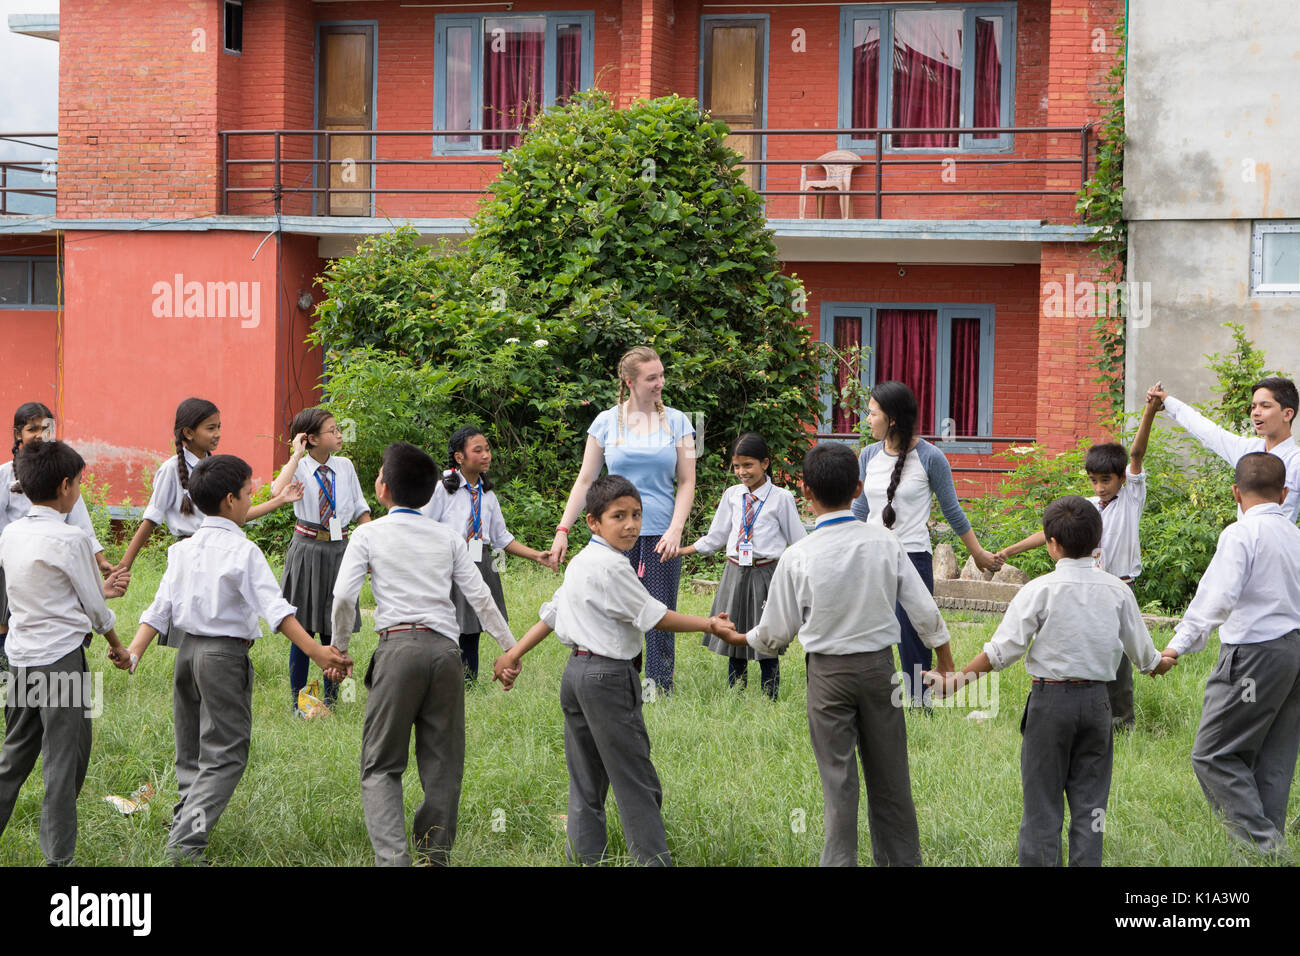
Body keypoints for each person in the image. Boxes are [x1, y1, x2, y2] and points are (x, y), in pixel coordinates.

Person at [714, 442, 956, 867]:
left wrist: (740, 639)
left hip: (826, 677)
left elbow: (774, 633)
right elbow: (923, 607)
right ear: (859, 488)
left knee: (839, 782)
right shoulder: (884, 542)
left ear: (805, 492)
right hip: (882, 671)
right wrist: (946, 661)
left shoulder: (798, 555)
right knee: (891, 779)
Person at [125, 454, 351, 864]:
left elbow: (159, 609)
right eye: (249, 493)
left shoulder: (183, 550)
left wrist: (134, 651)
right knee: (227, 752)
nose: (252, 501)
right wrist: (318, 651)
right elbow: (277, 611)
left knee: (190, 748)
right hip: (222, 657)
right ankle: (185, 847)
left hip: (187, 654)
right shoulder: (243, 551)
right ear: (230, 500)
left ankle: (184, 823)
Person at [494, 475, 730, 866]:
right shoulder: (612, 567)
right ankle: (654, 860)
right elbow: (654, 616)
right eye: (618, 516)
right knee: (636, 778)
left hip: (575, 677)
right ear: (593, 522)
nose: (631, 525)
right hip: (607, 679)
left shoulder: (583, 561)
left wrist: (513, 653)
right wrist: (709, 624)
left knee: (586, 779)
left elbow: (553, 615)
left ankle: (585, 857)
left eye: (636, 515)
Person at [929, 496, 1170, 866]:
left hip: (1050, 705)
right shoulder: (1119, 591)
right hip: (1097, 706)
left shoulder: (1038, 590)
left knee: (1042, 805)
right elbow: (1146, 659)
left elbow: (1000, 653)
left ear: (1052, 544)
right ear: (1097, 540)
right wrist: (1166, 658)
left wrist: (954, 683)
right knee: (1091, 807)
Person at [332, 442, 518, 866]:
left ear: (382, 489)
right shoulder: (448, 537)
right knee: (443, 766)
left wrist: (339, 650)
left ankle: (393, 859)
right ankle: (435, 857)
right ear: (432, 493)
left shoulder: (367, 534)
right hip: (446, 655)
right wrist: (510, 649)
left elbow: (344, 597)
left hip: (397, 651)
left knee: (381, 766)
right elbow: (480, 598)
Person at [1160, 452, 1300, 853]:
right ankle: (1270, 849)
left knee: (1213, 754)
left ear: (1235, 492)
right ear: (1285, 492)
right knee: (1275, 754)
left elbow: (1217, 600)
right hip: (1293, 653)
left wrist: (1177, 645)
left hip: (1253, 656)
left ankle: (1266, 849)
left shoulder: (1240, 534)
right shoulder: (1294, 535)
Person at [996, 394, 1162, 730]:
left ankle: (1121, 720)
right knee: (1086, 645)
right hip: (1083, 582)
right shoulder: (1086, 507)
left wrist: (1150, 410)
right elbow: (1049, 533)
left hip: (1117, 587)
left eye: (1107, 481)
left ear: (1121, 479)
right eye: (1094, 481)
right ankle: (1090, 710)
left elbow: (1137, 453)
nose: (1100, 488)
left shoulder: (1131, 498)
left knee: (1118, 655)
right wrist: (1009, 552)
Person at [0, 440, 130, 865]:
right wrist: (118, 647)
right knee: (63, 763)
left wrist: (96, 594)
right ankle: (59, 860)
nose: (79, 490)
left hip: (19, 659)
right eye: (78, 483)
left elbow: (48, 594)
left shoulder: (11, 533)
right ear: (64, 486)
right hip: (62, 663)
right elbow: (95, 608)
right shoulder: (71, 538)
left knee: (14, 755)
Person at [550, 346, 696, 695]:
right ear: (629, 382)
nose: (660, 383)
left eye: (661, 375)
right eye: (652, 378)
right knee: (609, 610)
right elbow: (586, 480)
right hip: (611, 537)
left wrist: (676, 529)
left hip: (660, 533)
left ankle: (658, 689)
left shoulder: (683, 421)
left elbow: (688, 480)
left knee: (659, 615)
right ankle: (617, 682)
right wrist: (562, 529)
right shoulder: (603, 421)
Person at [851, 381, 1000, 704]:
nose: (867, 420)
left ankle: (920, 704)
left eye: (872, 413)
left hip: (913, 559)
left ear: (891, 419)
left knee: (914, 638)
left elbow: (953, 511)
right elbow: (859, 510)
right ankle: (876, 703)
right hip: (873, 559)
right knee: (869, 634)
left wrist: (978, 554)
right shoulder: (868, 456)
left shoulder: (931, 457)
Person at [118, 397, 302, 649]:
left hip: (221, 550)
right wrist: (124, 565)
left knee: (221, 618)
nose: (217, 434)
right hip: (192, 553)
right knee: (193, 626)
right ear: (189, 433)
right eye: (211, 428)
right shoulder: (171, 469)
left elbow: (237, 515)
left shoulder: (216, 469)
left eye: (219, 427)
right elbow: (151, 519)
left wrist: (279, 500)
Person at [678, 432, 805, 699]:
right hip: (734, 572)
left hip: (766, 573)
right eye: (736, 466)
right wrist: (682, 550)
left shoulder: (781, 498)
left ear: (765, 463)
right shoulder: (732, 496)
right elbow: (717, 536)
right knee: (732, 631)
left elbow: (798, 541)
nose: (741, 472)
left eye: (748, 465)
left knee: (766, 634)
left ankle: (770, 697)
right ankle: (736, 694)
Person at [423, 425, 553, 683]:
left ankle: (467, 682)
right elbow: (424, 526)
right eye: (478, 450)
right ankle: (444, 678)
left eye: (488, 449)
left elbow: (502, 538)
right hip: (450, 564)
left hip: (481, 563)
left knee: (471, 628)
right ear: (459, 457)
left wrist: (537, 556)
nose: (486, 455)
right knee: (450, 625)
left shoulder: (488, 493)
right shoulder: (443, 490)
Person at [0, 402, 117, 669]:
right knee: (12, 611)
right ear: (18, 434)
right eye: (33, 429)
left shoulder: (63, 475)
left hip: (54, 554)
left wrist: (101, 561)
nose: (40, 435)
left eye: (46, 429)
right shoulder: (5, 475)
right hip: (14, 555)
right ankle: (4, 660)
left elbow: (81, 521)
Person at [270, 407, 370, 715]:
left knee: (334, 627)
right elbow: (276, 491)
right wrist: (295, 455)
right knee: (302, 629)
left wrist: (373, 543)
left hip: (340, 550)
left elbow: (361, 510)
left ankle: (331, 701)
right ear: (310, 438)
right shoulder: (298, 468)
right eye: (332, 430)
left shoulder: (345, 467)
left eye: (338, 428)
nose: (339, 434)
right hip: (307, 549)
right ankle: (297, 702)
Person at [1148, 376, 1300, 522]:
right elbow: (1209, 433)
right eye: (1254, 406)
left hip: (1280, 545)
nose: (1255, 412)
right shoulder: (1248, 450)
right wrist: (1167, 400)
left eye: (1265, 406)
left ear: (1287, 414)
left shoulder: (1296, 461)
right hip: (1244, 542)